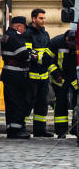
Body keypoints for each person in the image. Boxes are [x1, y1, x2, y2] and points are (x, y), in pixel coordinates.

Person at [0, 14, 31, 138]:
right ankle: (17, 130)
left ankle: (11, 129)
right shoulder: (15, 36)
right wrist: (31, 56)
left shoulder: (6, 36)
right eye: (24, 28)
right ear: (18, 26)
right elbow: (23, 54)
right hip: (16, 74)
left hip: (9, 73)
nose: (24, 31)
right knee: (18, 102)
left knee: (11, 102)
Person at [28, 8, 57, 136]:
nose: (43, 20)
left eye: (44, 18)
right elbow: (29, 53)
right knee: (27, 102)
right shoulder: (28, 33)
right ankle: (21, 129)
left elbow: (49, 53)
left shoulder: (45, 34)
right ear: (33, 19)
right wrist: (41, 59)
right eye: (41, 18)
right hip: (31, 74)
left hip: (44, 75)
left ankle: (40, 130)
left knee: (42, 104)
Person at [54, 23, 76, 140]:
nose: (73, 47)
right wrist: (56, 74)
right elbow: (48, 61)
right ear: (67, 40)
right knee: (61, 102)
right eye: (71, 45)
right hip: (60, 78)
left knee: (76, 101)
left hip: (74, 77)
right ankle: (61, 131)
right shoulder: (56, 42)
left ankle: (75, 128)